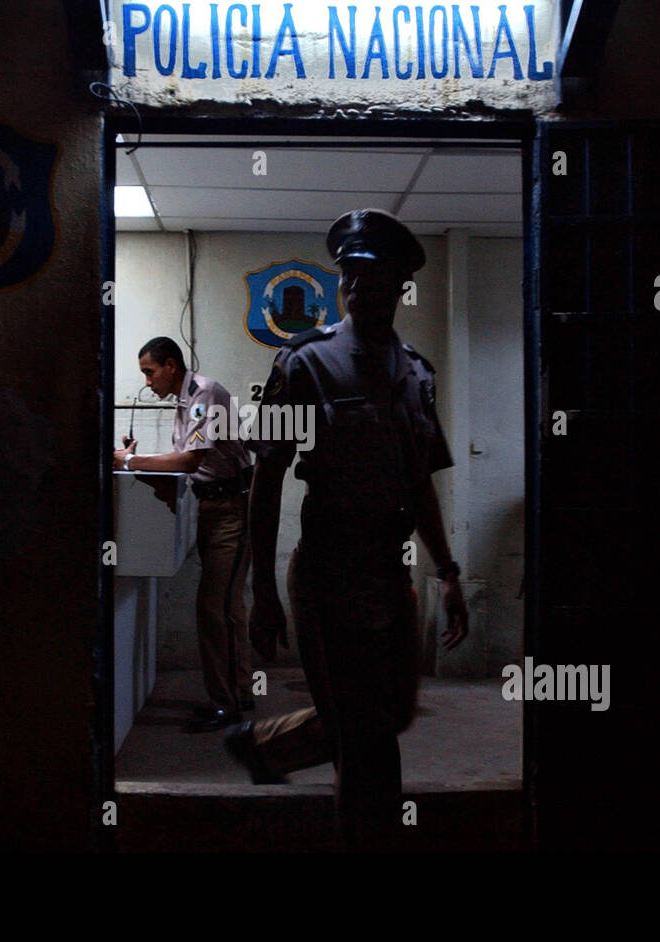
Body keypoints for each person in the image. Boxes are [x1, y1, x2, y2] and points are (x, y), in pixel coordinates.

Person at [231, 209, 469, 849]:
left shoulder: (417, 373)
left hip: (389, 573)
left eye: (376, 277)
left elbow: (421, 482)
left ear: (400, 286)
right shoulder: (304, 364)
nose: (361, 288)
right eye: (350, 278)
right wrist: (261, 587)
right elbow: (268, 477)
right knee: (367, 744)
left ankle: (262, 749)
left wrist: (446, 569)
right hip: (329, 572)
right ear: (341, 286)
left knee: (391, 713)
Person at [114, 337, 254, 733]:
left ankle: (227, 704)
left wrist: (131, 459)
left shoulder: (203, 392)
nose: (147, 382)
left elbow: (191, 459)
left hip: (231, 510)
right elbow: (186, 462)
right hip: (213, 507)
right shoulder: (185, 399)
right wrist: (138, 461)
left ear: (171, 365)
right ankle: (239, 693)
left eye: (149, 371)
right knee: (228, 608)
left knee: (214, 607)